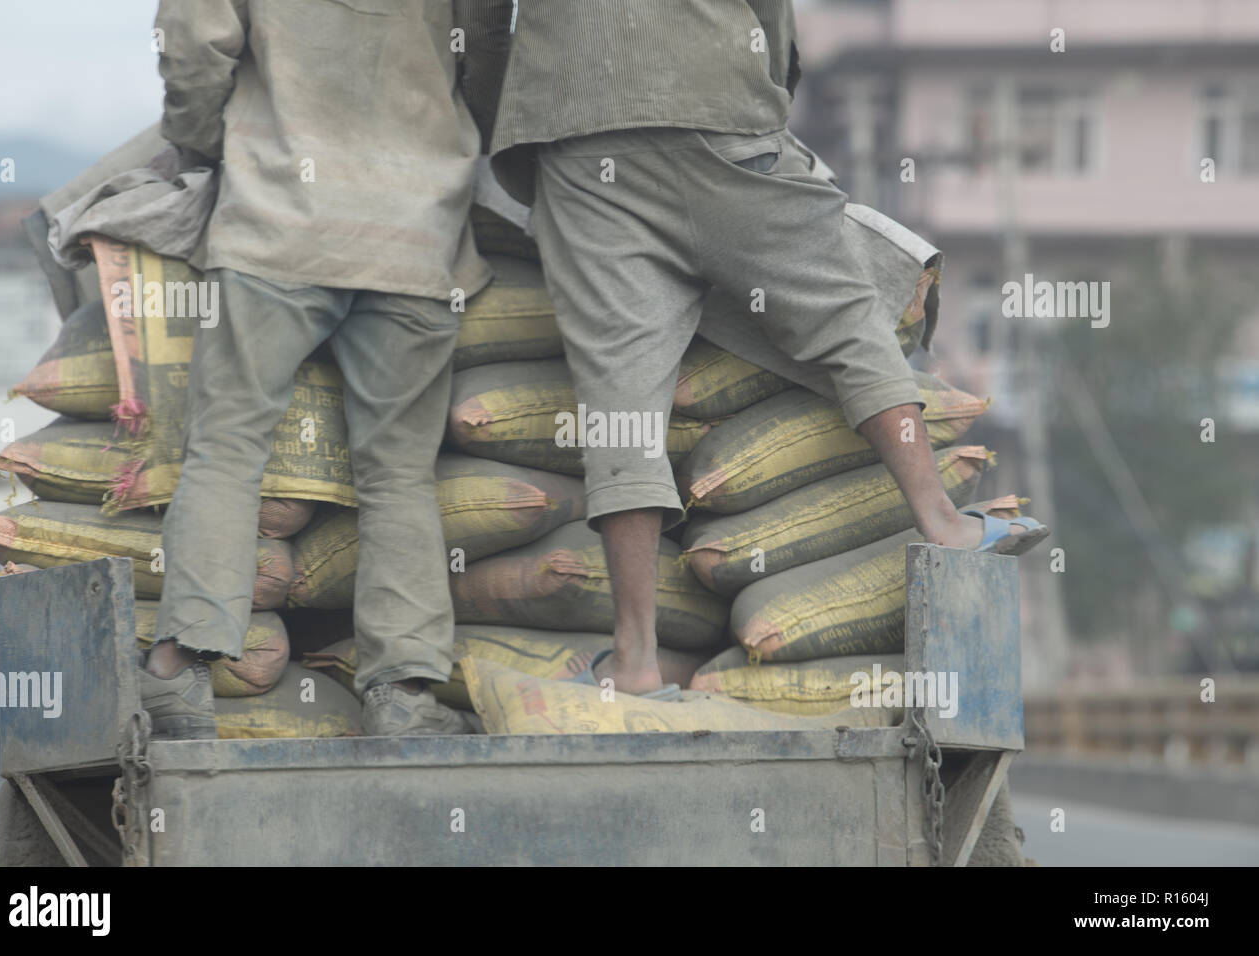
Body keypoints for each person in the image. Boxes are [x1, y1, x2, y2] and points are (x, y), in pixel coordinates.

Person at [456, 0, 1048, 698]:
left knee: (619, 393)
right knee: (843, 318)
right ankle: (943, 524)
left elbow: (483, 18)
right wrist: (763, 85)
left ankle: (636, 657)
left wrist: (514, 118)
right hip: (717, 105)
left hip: (576, 135)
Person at [139, 0, 489, 738]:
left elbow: (192, 47)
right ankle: (402, 697)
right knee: (398, 472)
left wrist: (210, 143)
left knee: (228, 446)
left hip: (276, 224)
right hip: (416, 228)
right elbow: (486, 51)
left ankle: (180, 671)